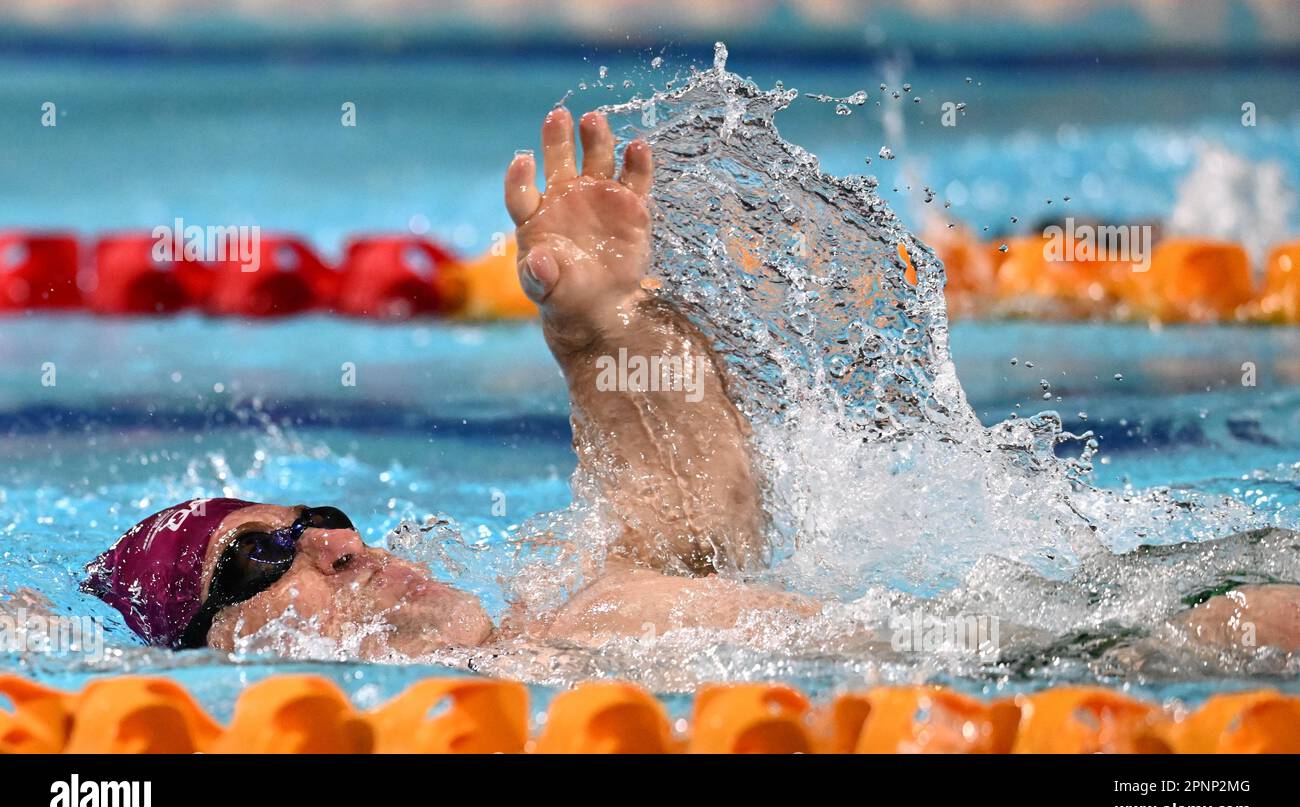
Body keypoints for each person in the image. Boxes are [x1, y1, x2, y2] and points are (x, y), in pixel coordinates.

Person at [81, 108, 1300, 662]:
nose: (335, 549)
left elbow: (688, 540)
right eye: (260, 559)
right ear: (212, 652)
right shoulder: (539, 662)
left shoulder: (556, 623)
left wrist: (611, 334)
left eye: (319, 525)